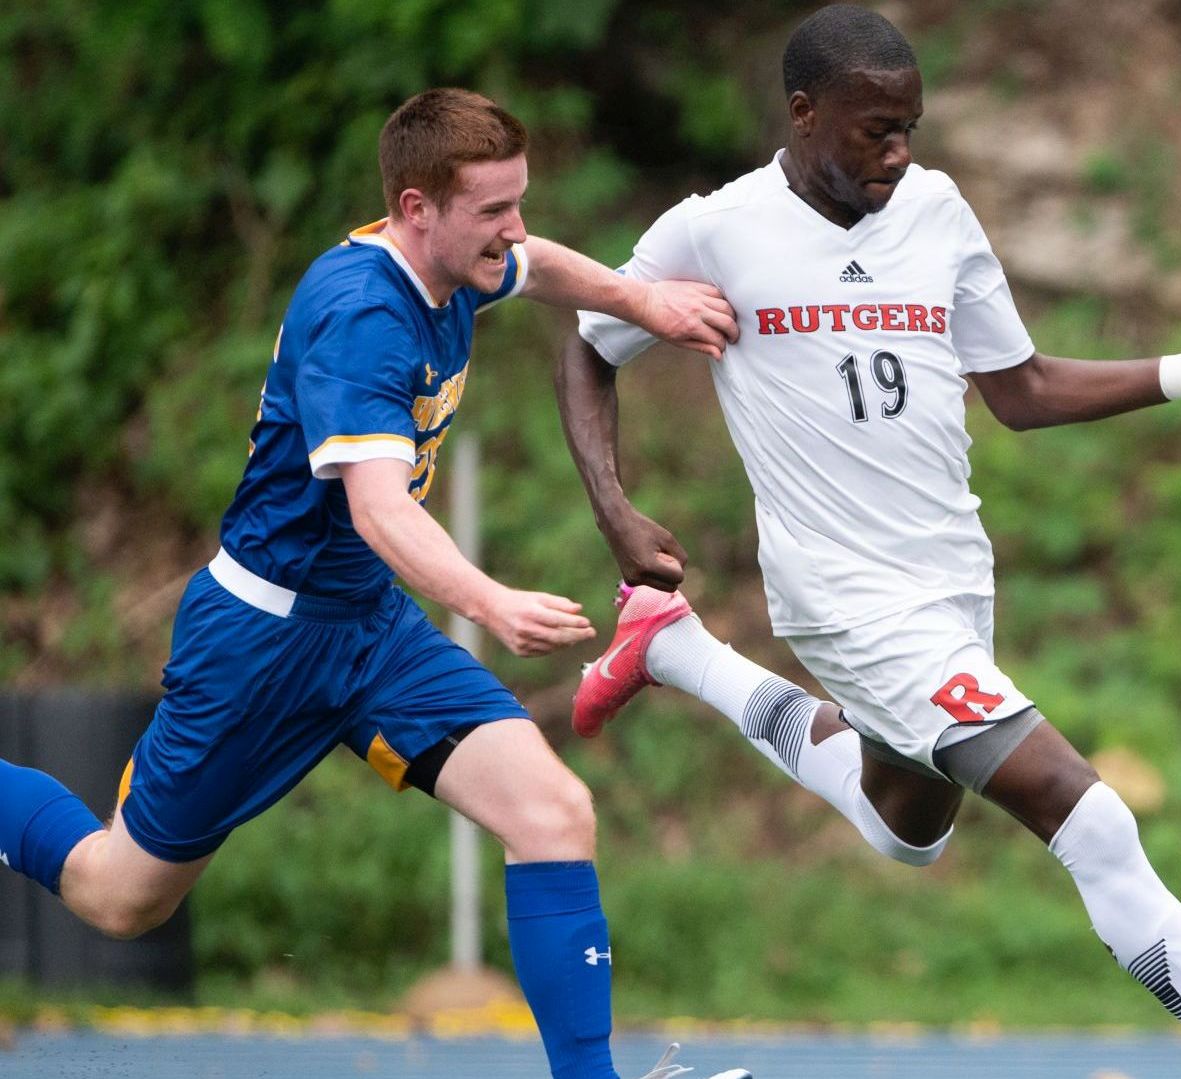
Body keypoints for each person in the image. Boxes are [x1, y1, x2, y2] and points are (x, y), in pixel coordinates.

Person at [556, 8, 1181, 1079]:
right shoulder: (712, 229)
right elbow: (588, 345)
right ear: (802, 114)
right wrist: (615, 506)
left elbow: (1019, 389)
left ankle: (675, 648)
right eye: (874, 131)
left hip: (951, 581)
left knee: (907, 824)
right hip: (841, 595)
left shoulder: (934, 209)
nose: (899, 153)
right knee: (1087, 809)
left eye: (910, 128)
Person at [0, 88, 747, 1079]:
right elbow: (380, 510)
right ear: (415, 206)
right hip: (258, 643)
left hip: (370, 631)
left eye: (518, 202)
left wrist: (643, 300)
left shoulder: (459, 261)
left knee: (552, 811)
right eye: (493, 210)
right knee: (119, 895)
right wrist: (492, 602)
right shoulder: (361, 315)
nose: (513, 229)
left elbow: (541, 264)